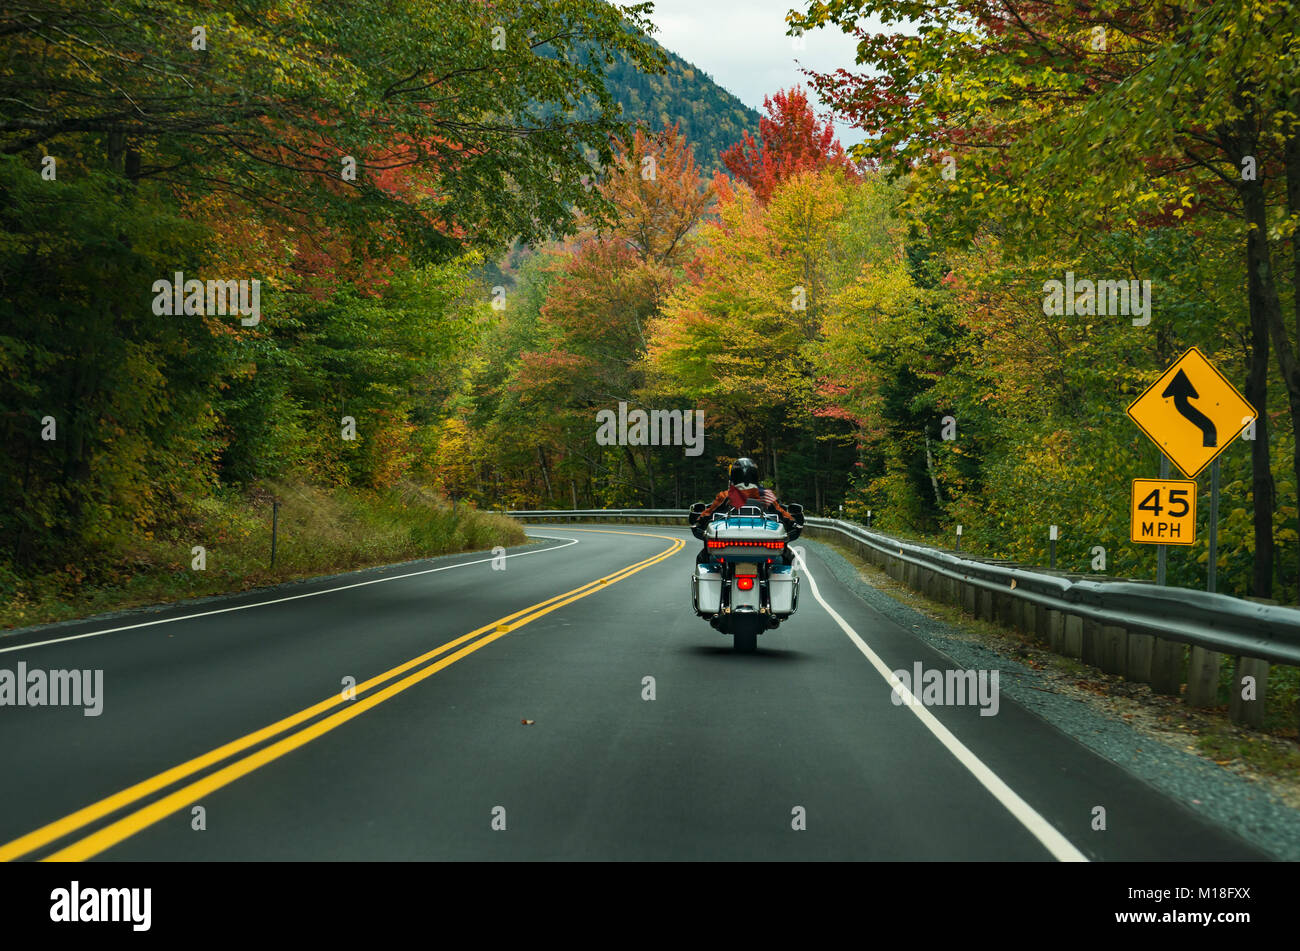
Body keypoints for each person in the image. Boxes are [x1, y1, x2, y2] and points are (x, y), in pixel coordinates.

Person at [692, 457, 802, 565]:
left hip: (728, 544)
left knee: (703, 557)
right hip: (764, 543)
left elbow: (707, 514)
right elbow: (783, 514)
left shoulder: (726, 495)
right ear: (755, 475)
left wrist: (698, 522)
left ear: (733, 476)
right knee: (787, 557)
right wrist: (793, 523)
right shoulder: (766, 495)